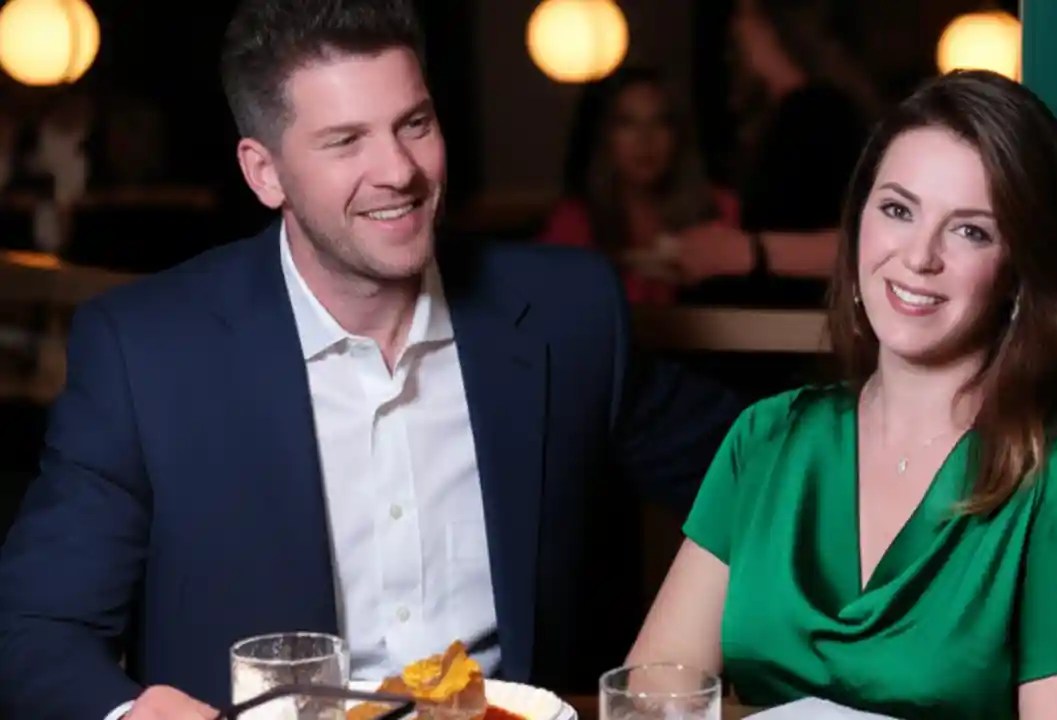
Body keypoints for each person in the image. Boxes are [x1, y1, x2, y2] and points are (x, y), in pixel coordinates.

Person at [0, 1, 744, 718]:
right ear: (265, 174)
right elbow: (35, 628)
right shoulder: (148, 352)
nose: (400, 171)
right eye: (346, 140)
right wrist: (129, 711)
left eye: (414, 124)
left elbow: (759, 468)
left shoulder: (565, 314)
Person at [626, 70, 1057, 719]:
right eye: (897, 209)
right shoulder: (768, 437)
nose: (919, 256)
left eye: (970, 230)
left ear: (1017, 274)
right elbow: (652, 693)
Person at [672, 0, 879, 307]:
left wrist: (742, 252)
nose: (736, 31)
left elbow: (862, 242)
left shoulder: (818, 112)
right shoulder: (791, 114)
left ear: (773, 24)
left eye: (747, 16)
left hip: (802, 328)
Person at [541, 67, 740, 305]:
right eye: (627, 123)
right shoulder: (575, 222)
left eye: (659, 123)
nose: (646, 139)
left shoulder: (719, 210)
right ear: (605, 138)